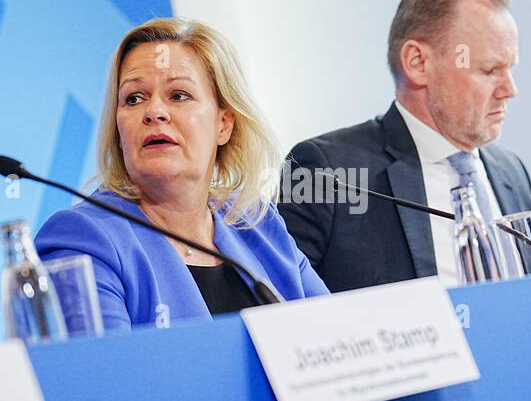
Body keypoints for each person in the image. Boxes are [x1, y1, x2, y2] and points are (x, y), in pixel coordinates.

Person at [279, 0, 531, 291]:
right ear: (418, 63)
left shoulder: (510, 171)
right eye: (490, 69)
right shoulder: (327, 169)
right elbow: (281, 309)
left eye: (511, 69)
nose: (510, 89)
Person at [35, 18, 326, 331]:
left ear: (224, 124)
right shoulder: (83, 239)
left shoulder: (257, 223)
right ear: (118, 130)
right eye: (134, 98)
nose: (154, 112)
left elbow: (334, 337)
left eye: (179, 95)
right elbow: (108, 373)